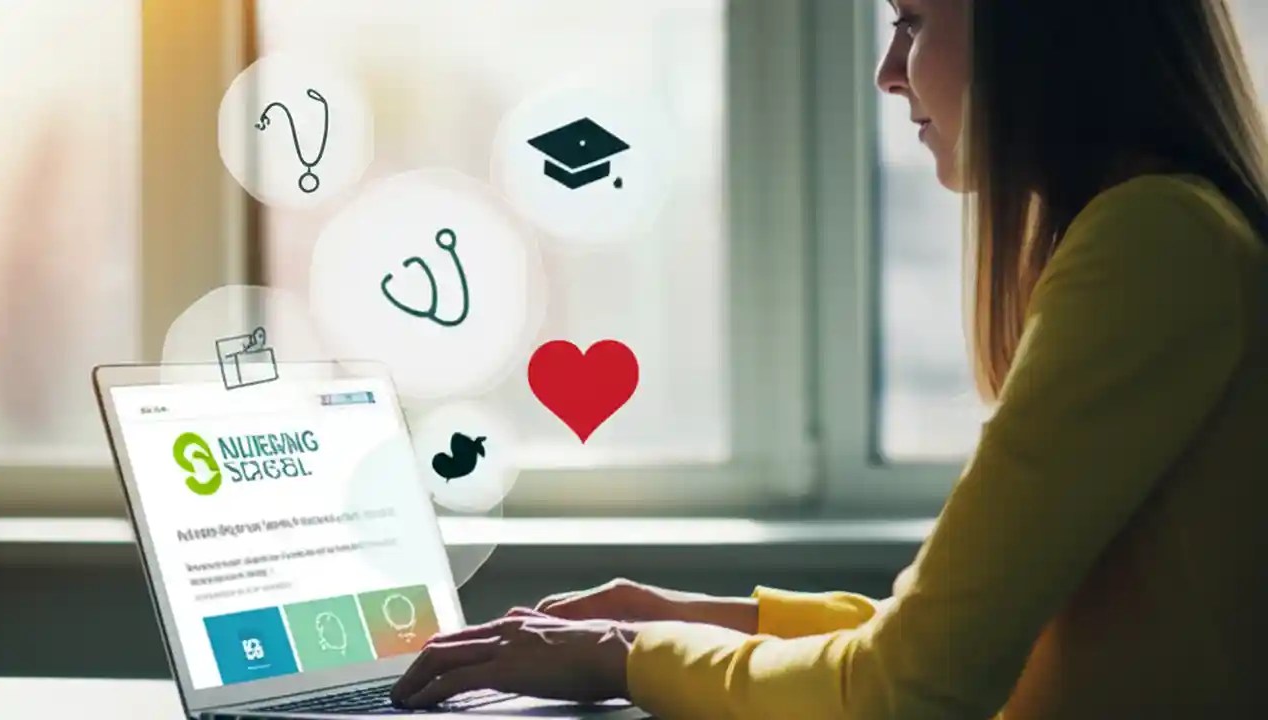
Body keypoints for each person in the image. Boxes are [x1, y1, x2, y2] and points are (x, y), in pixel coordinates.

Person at [391, 0, 1268, 716]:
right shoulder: (1169, 233)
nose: (889, 72)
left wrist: (625, 657)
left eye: (914, 21)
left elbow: (908, 690)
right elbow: (970, 642)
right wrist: (701, 617)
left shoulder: (1152, 243)